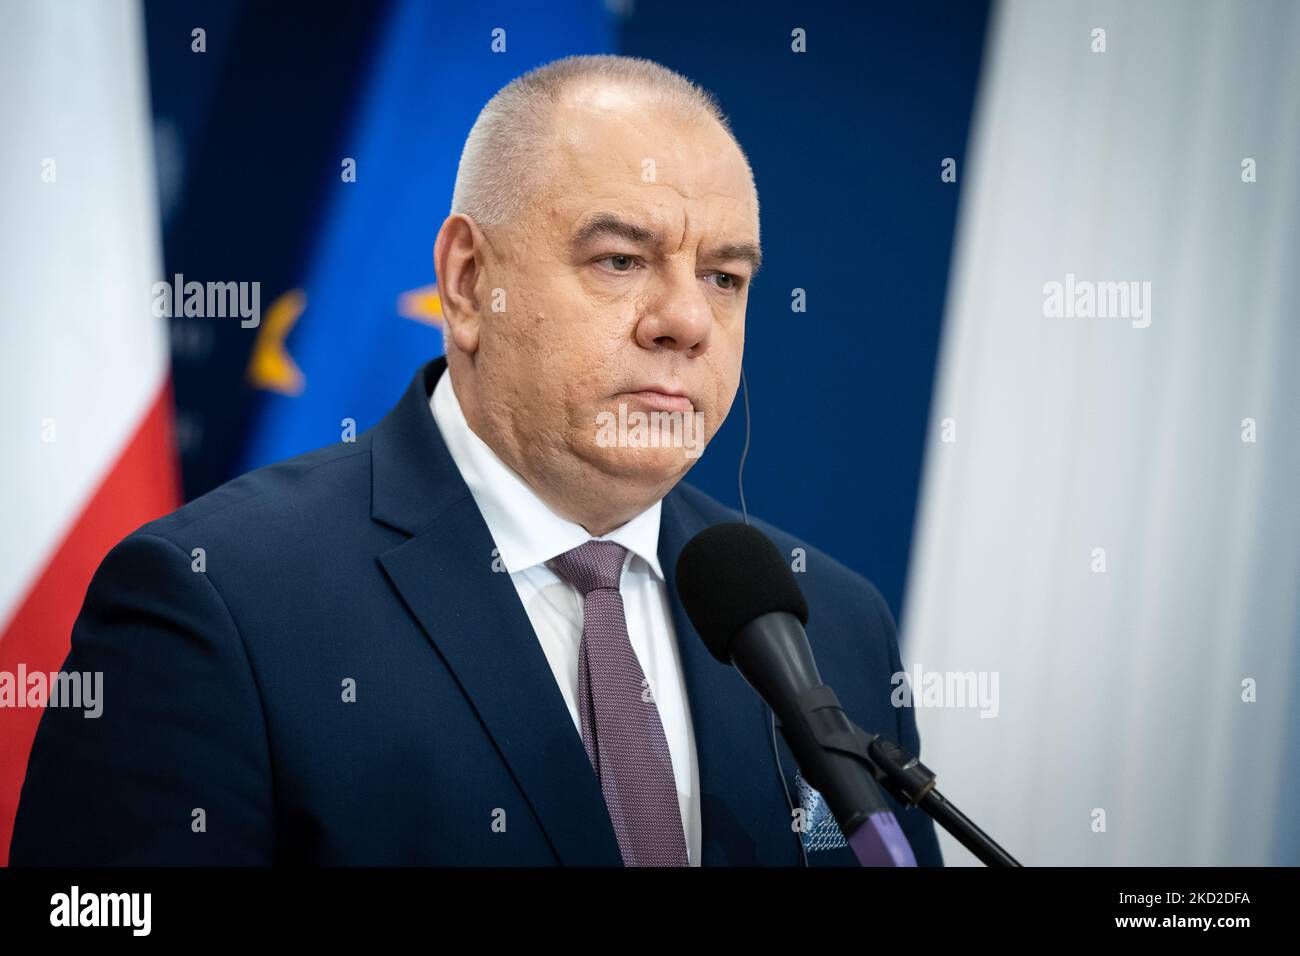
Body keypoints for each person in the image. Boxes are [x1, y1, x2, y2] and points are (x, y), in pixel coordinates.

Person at [10, 54, 941, 867]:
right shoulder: (218, 603)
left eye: (725, 278)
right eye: (621, 260)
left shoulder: (835, 627)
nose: (687, 322)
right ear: (466, 283)